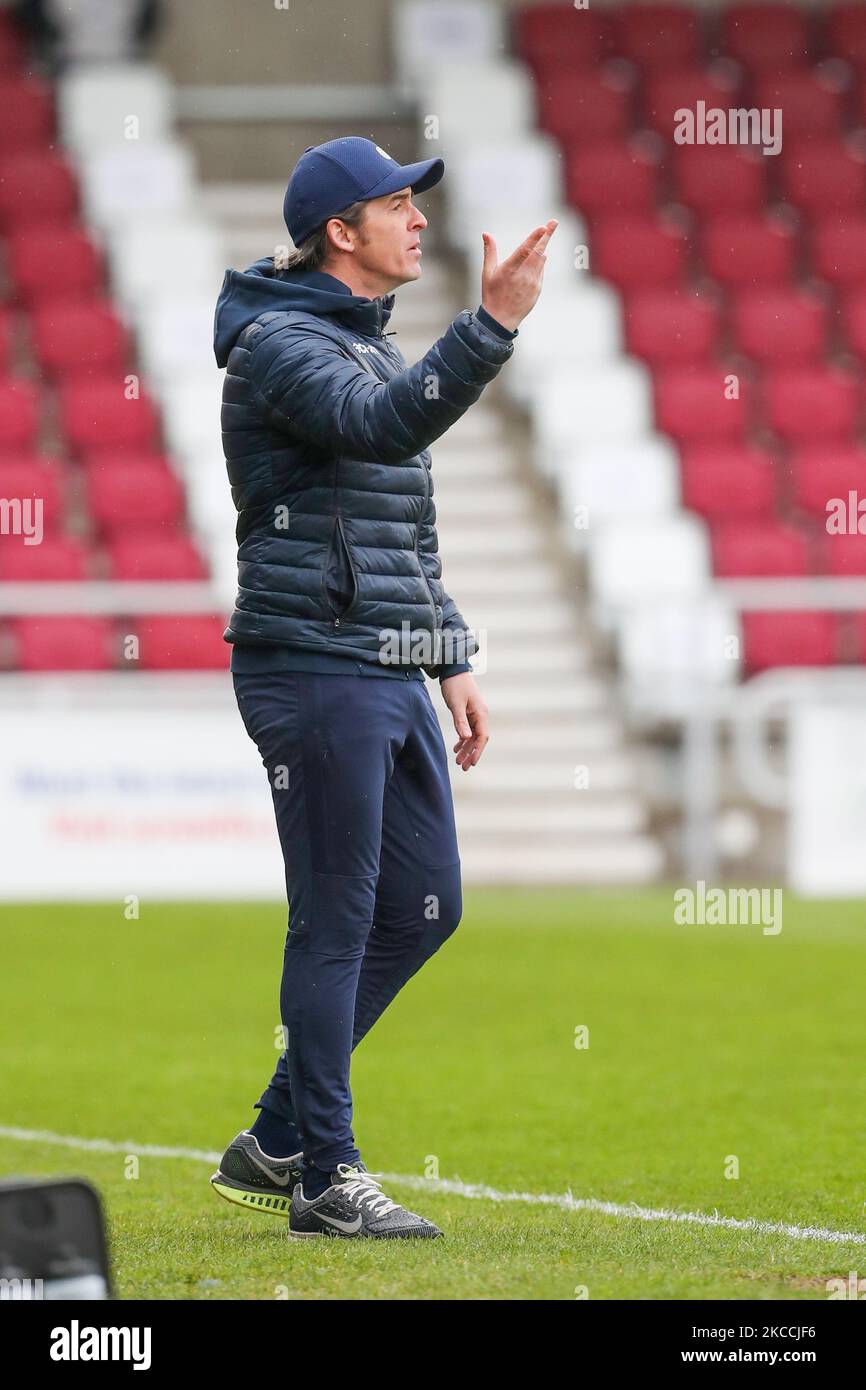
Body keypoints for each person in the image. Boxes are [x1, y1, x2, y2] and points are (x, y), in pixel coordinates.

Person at [209, 136, 555, 1239]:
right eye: (396, 205)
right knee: (335, 919)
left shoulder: (359, 344)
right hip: (309, 663)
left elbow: (401, 535)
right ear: (338, 233)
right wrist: (489, 327)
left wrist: (445, 652)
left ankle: (274, 1136)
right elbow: (379, 429)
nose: (419, 221)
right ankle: (324, 1174)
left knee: (426, 904)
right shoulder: (278, 344)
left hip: (382, 663)